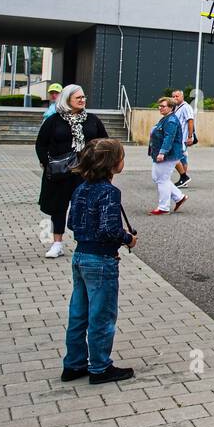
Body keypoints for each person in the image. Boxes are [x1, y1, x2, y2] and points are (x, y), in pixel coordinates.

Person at [63, 138, 137, 385]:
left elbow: (71, 223)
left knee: (78, 313)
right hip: (102, 260)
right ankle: (100, 367)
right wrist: (127, 239)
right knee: (102, 316)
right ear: (113, 164)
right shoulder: (109, 192)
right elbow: (109, 229)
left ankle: (74, 364)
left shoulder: (80, 188)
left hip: (80, 255)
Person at [35, 84, 108, 259]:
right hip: (60, 172)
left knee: (85, 207)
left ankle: (84, 243)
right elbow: (41, 144)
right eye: (78, 98)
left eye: (84, 97)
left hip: (86, 172)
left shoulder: (92, 119)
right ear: (68, 100)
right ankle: (57, 243)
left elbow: (105, 141)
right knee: (58, 208)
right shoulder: (54, 120)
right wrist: (47, 164)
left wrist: (100, 164)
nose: (83, 100)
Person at [148, 97, 188, 215]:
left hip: (168, 155)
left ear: (171, 107)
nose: (160, 108)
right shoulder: (165, 119)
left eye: (163, 106)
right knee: (157, 177)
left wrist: (162, 152)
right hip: (162, 153)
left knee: (162, 179)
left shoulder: (171, 121)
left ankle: (163, 207)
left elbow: (169, 138)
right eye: (159, 106)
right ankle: (179, 197)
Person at [171, 89, 196, 187]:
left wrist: (190, 137)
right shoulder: (176, 107)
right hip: (177, 138)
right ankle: (184, 180)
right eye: (173, 96)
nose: (175, 98)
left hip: (182, 138)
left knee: (174, 157)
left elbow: (190, 121)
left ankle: (184, 177)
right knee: (183, 159)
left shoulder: (186, 107)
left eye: (177, 96)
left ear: (182, 97)